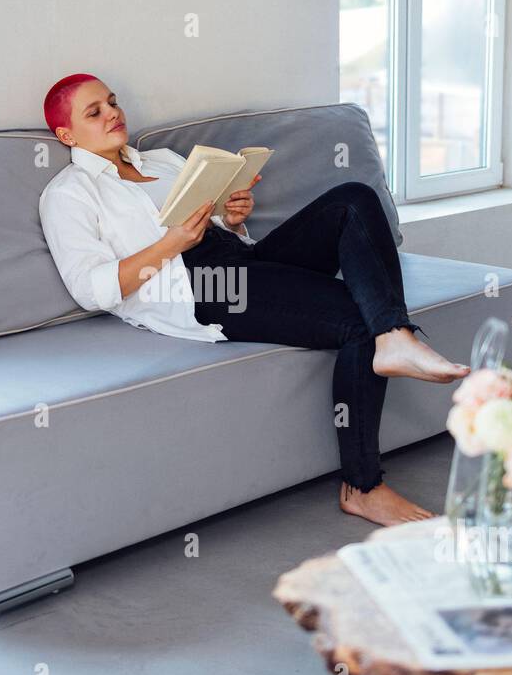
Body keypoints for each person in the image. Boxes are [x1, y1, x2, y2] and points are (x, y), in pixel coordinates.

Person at [37, 73, 470, 526]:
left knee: (352, 200)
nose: (113, 114)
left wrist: (233, 218)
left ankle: (394, 335)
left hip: (242, 259)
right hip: (195, 287)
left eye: (112, 102)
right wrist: (173, 243)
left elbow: (224, 234)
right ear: (66, 134)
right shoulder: (69, 194)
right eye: (95, 112)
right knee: (356, 319)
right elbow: (91, 288)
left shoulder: (163, 160)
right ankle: (363, 487)